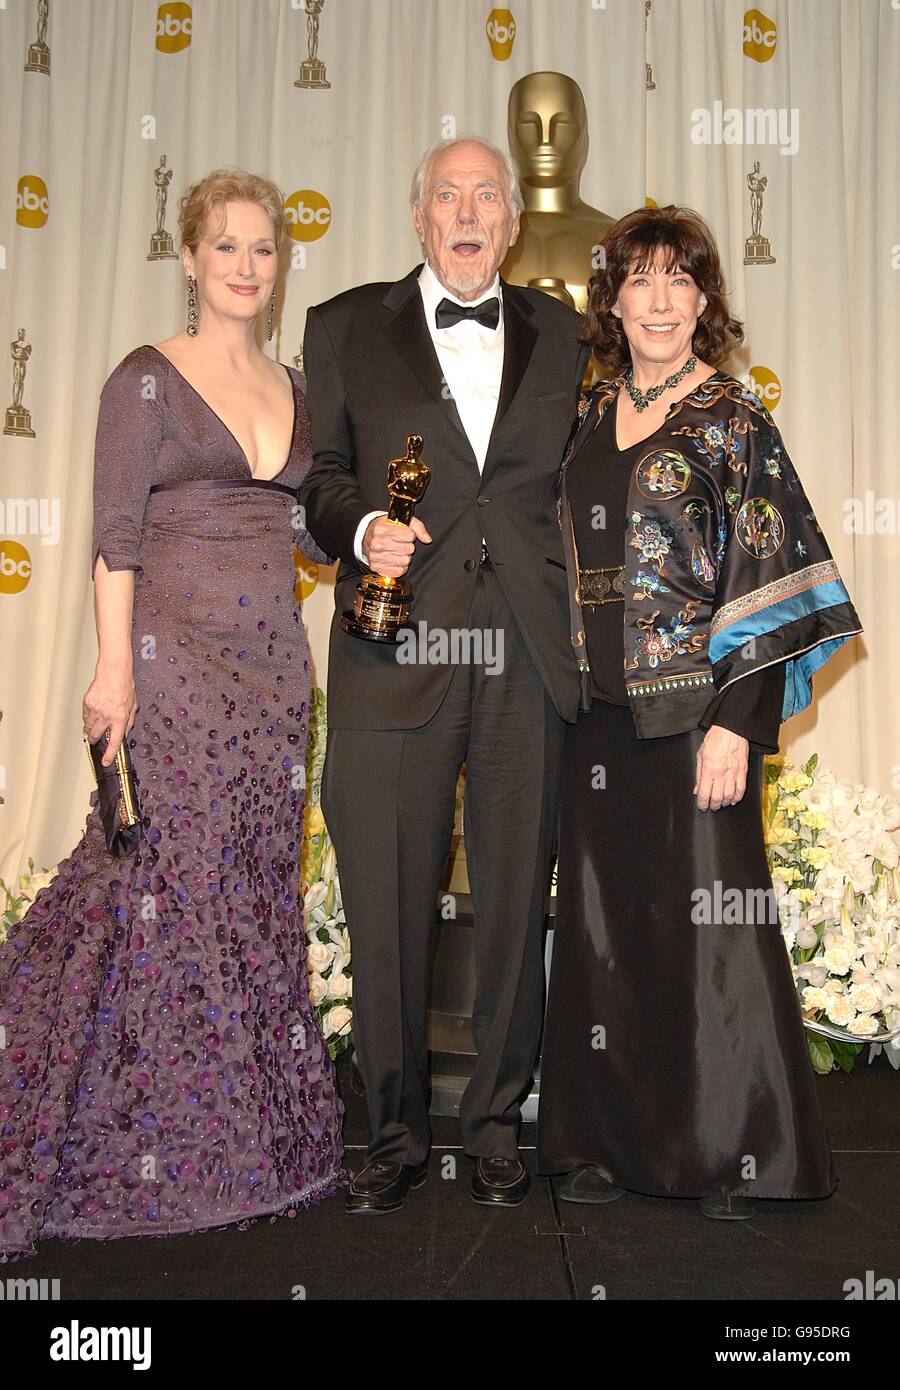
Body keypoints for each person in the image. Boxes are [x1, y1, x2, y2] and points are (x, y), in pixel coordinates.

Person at [0, 169, 346, 1262]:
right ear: (191, 257)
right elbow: (117, 533)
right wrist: (114, 671)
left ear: (277, 266)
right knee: (167, 887)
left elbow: (309, 536)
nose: (246, 264)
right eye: (226, 245)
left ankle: (257, 1139)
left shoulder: (299, 383)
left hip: (276, 677)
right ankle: (157, 1138)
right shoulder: (146, 381)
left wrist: (371, 528)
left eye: (263, 248)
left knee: (250, 886)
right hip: (172, 670)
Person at [537, 204, 862, 1220]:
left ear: (704, 299)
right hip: (593, 719)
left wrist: (740, 718)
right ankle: (604, 1150)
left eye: (680, 279)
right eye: (641, 279)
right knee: (602, 936)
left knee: (711, 939)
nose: (661, 299)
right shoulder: (589, 417)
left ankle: (733, 1153)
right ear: (615, 299)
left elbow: (775, 570)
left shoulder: (734, 416)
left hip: (693, 720)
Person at [299, 136, 589, 1213]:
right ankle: (388, 1133)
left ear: (510, 222)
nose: (467, 214)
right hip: (394, 646)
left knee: (516, 896)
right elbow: (319, 478)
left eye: (485, 196)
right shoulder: (341, 326)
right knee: (385, 897)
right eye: (446, 196)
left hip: (527, 644)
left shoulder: (567, 334)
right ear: (417, 217)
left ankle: (496, 1125)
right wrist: (366, 522)